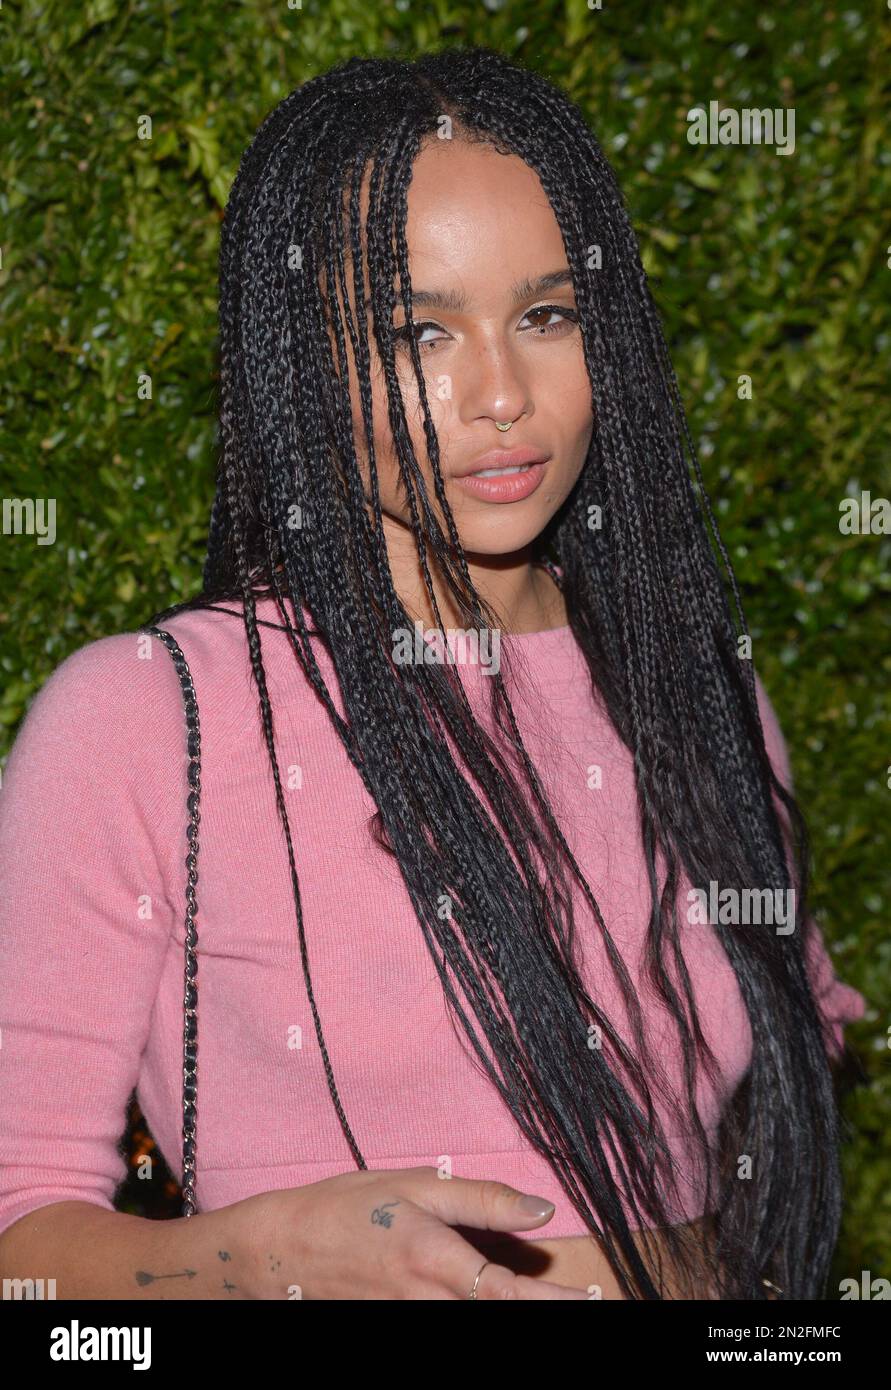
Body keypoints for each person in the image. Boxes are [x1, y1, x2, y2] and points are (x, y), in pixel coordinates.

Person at [0, 47, 865, 1301]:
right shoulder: (145, 716)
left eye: (547, 315)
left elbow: (791, 1036)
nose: (502, 394)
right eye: (419, 330)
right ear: (301, 361)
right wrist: (269, 1256)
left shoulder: (692, 694)